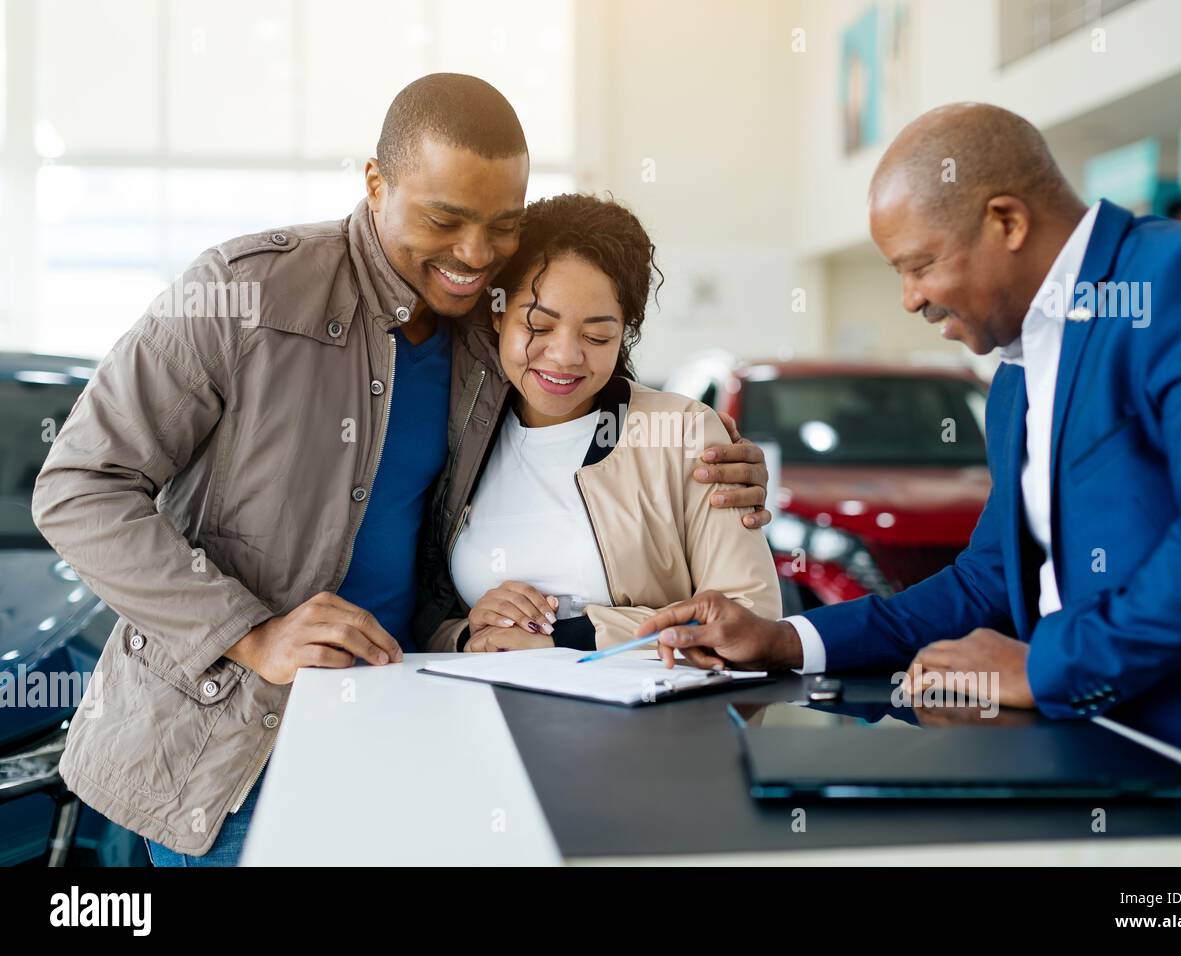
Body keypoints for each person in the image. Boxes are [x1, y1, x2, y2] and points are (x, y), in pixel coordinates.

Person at [31, 74, 772, 864]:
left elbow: (569, 429)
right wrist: (251, 633)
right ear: (376, 183)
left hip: (413, 737)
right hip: (235, 754)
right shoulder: (243, 291)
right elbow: (79, 487)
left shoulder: (488, 335)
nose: (475, 255)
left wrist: (702, 448)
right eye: (445, 220)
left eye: (501, 227)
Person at [637, 102, 1181, 795]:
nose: (909, 300)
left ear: (1006, 221)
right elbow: (986, 579)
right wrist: (785, 640)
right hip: (1084, 758)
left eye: (918, 265)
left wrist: (1045, 666)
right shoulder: (1016, 372)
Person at [424, 194, 780, 654]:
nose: (566, 356)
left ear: (624, 332)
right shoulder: (462, 435)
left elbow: (754, 619)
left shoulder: (686, 433)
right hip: (490, 714)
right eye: (538, 325)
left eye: (597, 336)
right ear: (497, 313)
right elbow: (425, 619)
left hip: (648, 721)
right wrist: (471, 634)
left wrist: (575, 637)